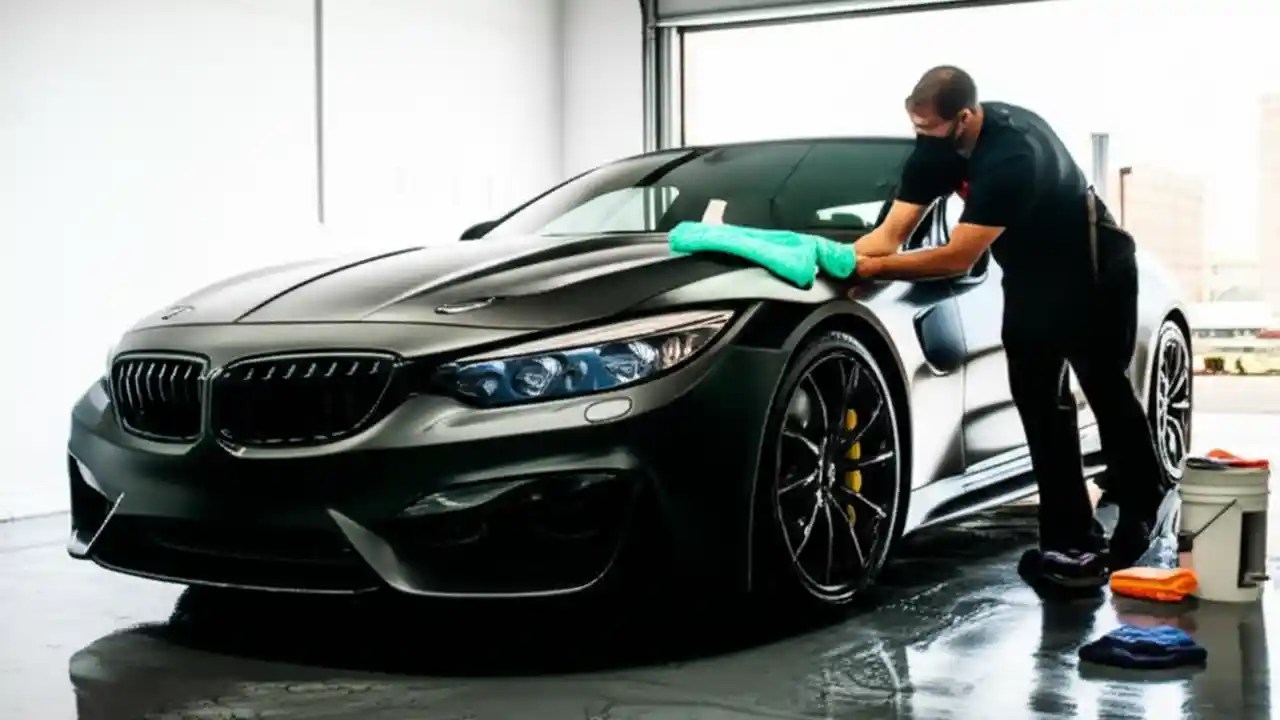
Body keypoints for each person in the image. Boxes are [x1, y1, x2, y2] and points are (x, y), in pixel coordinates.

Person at [851, 65, 1170, 592]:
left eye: (931, 128)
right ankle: (1069, 536)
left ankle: (1144, 508)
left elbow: (957, 257)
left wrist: (876, 270)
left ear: (965, 118)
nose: (922, 139)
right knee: (1037, 398)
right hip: (1030, 273)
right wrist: (826, 261)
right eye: (918, 128)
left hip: (1093, 264)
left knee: (1104, 386)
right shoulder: (934, 144)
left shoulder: (1012, 154)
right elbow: (888, 236)